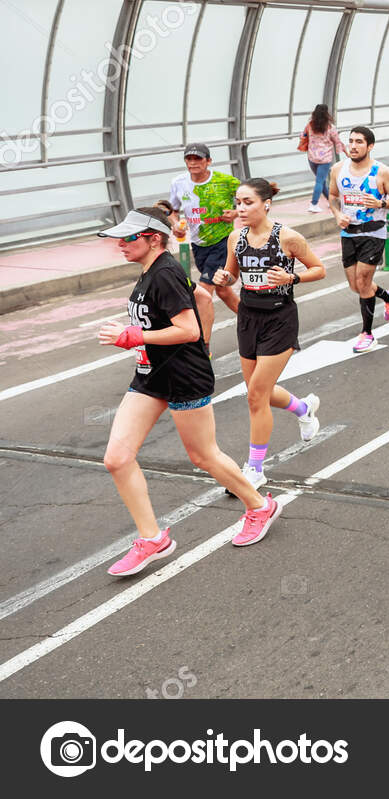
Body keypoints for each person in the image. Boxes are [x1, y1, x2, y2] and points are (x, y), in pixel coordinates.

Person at [95, 207, 280, 576]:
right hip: (150, 376)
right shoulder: (153, 270)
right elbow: (204, 300)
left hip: (183, 377)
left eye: (130, 238)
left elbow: (187, 329)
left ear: (154, 239)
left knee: (203, 456)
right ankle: (152, 539)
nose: (121, 244)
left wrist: (134, 335)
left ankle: (259, 506)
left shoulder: (164, 273)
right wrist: (196, 343)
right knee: (116, 458)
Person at [212, 179, 326, 492]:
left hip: (280, 318)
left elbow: (319, 269)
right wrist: (224, 277)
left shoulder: (288, 237)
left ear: (266, 204)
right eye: (238, 203)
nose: (241, 209)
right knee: (257, 390)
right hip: (248, 317)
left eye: (247, 202)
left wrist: (293, 277)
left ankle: (256, 469)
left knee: (255, 396)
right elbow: (232, 274)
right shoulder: (236, 237)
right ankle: (303, 409)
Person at [328, 126, 389, 353]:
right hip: (348, 232)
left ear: (370, 146)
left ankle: (367, 333)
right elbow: (333, 196)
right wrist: (337, 214)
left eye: (359, 142)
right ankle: (388, 296)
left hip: (373, 232)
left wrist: (380, 203)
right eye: (350, 141)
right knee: (356, 285)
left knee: (363, 281)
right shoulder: (338, 169)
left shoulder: (383, 172)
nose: (353, 145)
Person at [168, 143, 240, 350]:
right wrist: (176, 225)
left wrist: (235, 213)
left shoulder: (225, 181)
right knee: (224, 292)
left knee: (203, 292)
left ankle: (203, 345)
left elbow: (254, 198)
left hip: (223, 243)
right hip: (199, 245)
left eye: (198, 159)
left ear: (208, 161)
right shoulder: (179, 183)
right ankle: (254, 319)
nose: (193, 163)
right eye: (189, 159)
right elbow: (172, 210)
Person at [300, 105, 345, 213]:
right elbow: (337, 141)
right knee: (320, 181)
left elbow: (303, 136)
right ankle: (313, 204)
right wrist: (343, 152)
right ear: (326, 114)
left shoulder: (310, 125)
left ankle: (331, 201)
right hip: (325, 159)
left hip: (312, 158)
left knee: (321, 181)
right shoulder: (330, 127)